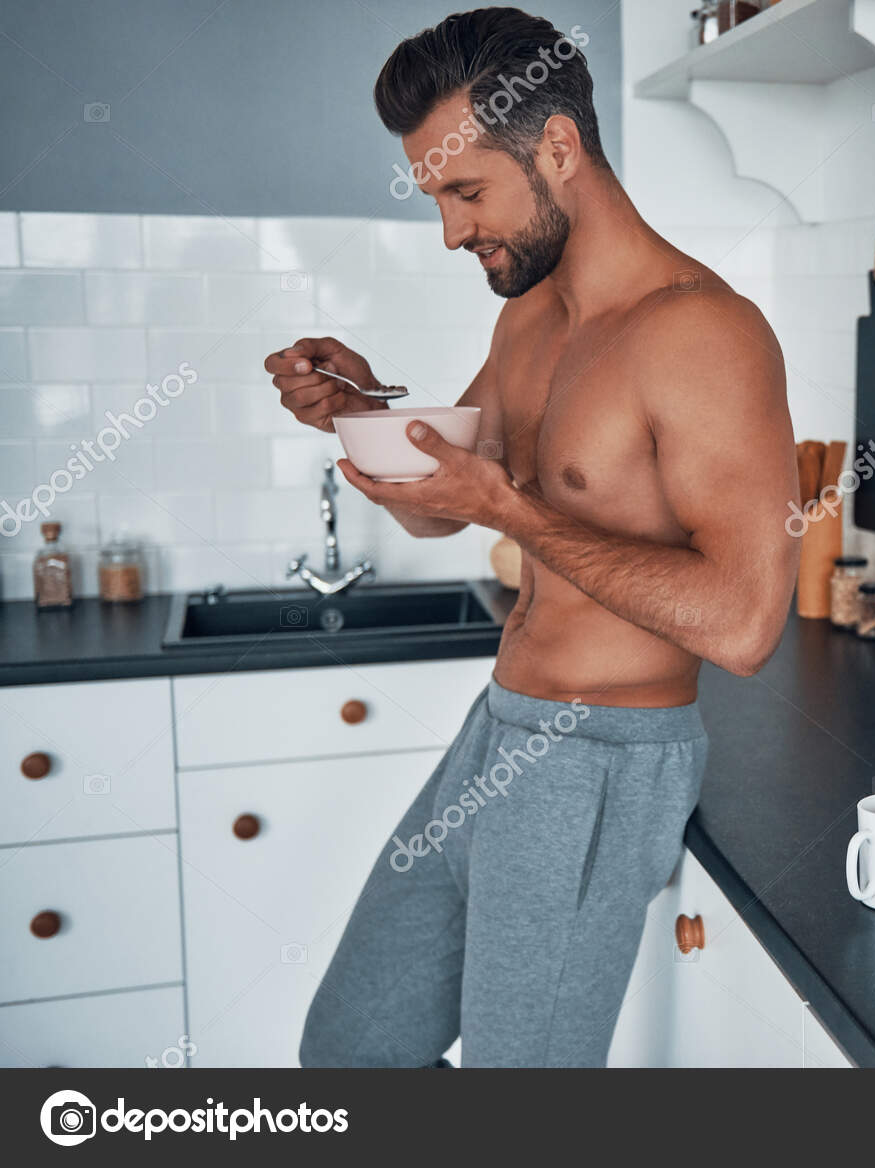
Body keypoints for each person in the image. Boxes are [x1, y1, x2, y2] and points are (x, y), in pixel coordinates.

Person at [263, 7, 799, 1067]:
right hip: (497, 732)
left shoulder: (705, 334)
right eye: (438, 200)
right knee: (350, 1050)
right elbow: (438, 500)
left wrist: (510, 509)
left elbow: (743, 624)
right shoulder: (530, 315)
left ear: (556, 147)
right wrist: (358, 407)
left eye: (466, 192)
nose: (453, 231)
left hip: (600, 763)